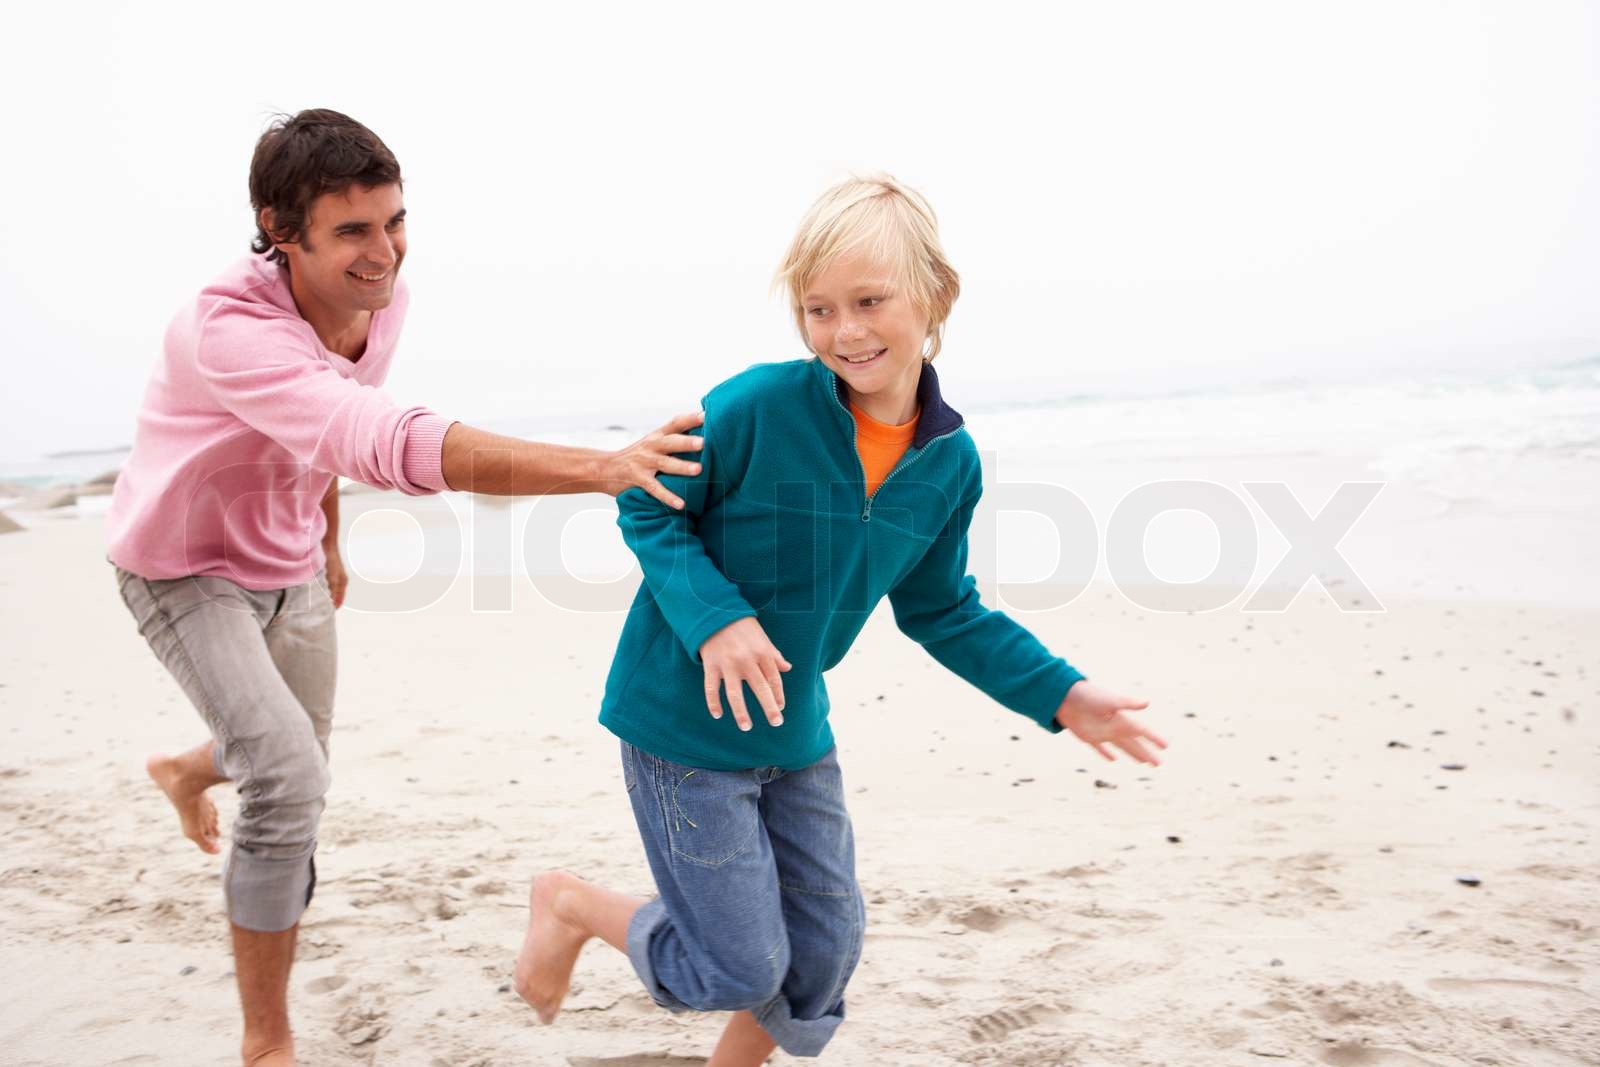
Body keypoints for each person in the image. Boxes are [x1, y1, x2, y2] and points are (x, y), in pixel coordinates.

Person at [511, 173, 1166, 1064]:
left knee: (822, 954)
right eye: (819, 310)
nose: (845, 331)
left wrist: (1061, 693)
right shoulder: (756, 406)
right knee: (737, 966)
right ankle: (572, 903)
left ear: (935, 296)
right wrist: (716, 618)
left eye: (869, 301)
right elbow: (646, 502)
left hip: (795, 729)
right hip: (681, 727)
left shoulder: (949, 461)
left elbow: (944, 609)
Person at [107, 108, 703, 1067]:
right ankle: (268, 1042)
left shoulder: (377, 300)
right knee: (288, 781)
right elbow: (379, 437)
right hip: (183, 566)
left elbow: (326, 429)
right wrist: (601, 468)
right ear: (279, 229)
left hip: (289, 555)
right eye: (352, 230)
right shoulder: (229, 332)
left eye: (394, 221)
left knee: (294, 756)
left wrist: (327, 536)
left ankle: (186, 767)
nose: (383, 252)